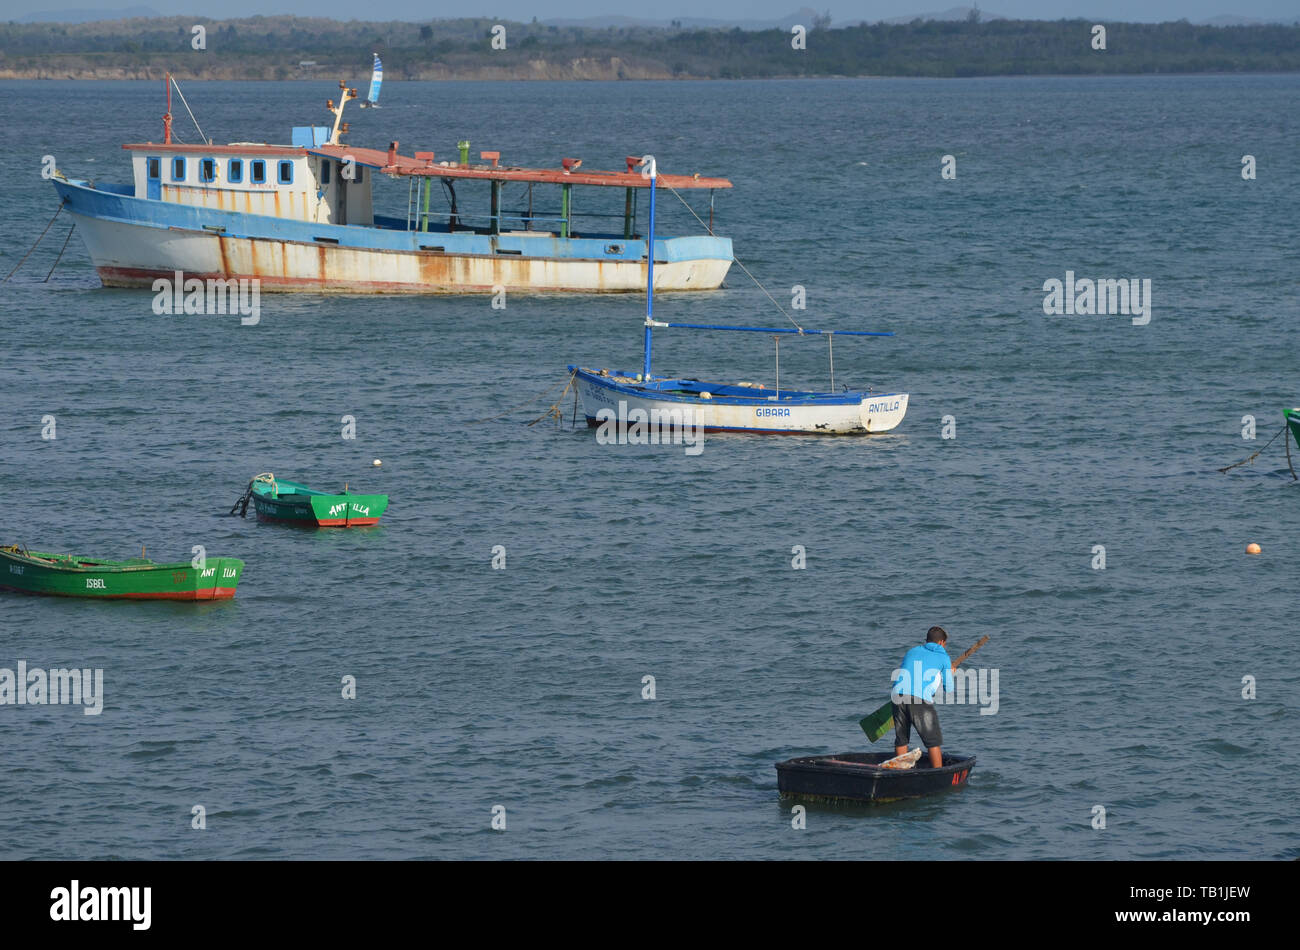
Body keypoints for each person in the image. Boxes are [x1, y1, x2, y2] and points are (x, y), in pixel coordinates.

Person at [891, 625, 955, 768]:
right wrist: (950, 672)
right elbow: (948, 688)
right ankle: (938, 774)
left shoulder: (912, 651)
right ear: (941, 643)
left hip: (897, 694)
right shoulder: (943, 656)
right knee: (933, 742)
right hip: (918, 699)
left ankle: (900, 773)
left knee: (901, 739)